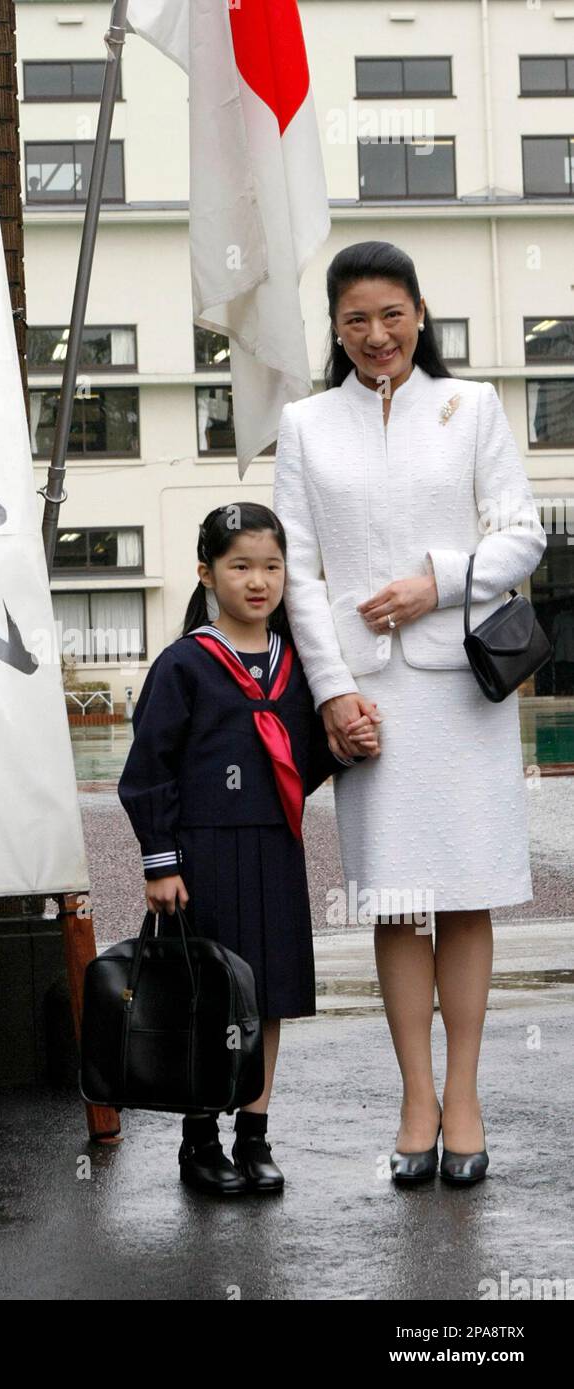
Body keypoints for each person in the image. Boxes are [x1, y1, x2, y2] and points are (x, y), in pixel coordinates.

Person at [273, 240, 547, 1186]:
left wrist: (438, 581)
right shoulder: (307, 424)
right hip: (369, 698)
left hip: (459, 688)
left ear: (420, 315)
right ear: (337, 329)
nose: (375, 335)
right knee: (394, 899)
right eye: (356, 320)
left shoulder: (469, 407)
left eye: (392, 315)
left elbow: (524, 535)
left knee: (464, 895)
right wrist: (331, 691)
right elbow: (299, 575)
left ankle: (463, 1095)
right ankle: (414, 1100)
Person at [118, 502, 382, 1196]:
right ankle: (200, 1140)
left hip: (273, 850)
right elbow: (148, 771)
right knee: (209, 1000)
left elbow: (295, 764)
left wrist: (343, 751)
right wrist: (161, 860)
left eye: (271, 566)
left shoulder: (297, 667)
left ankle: (255, 1135)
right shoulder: (185, 665)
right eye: (240, 566)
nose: (257, 581)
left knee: (266, 998)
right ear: (206, 573)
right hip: (203, 857)